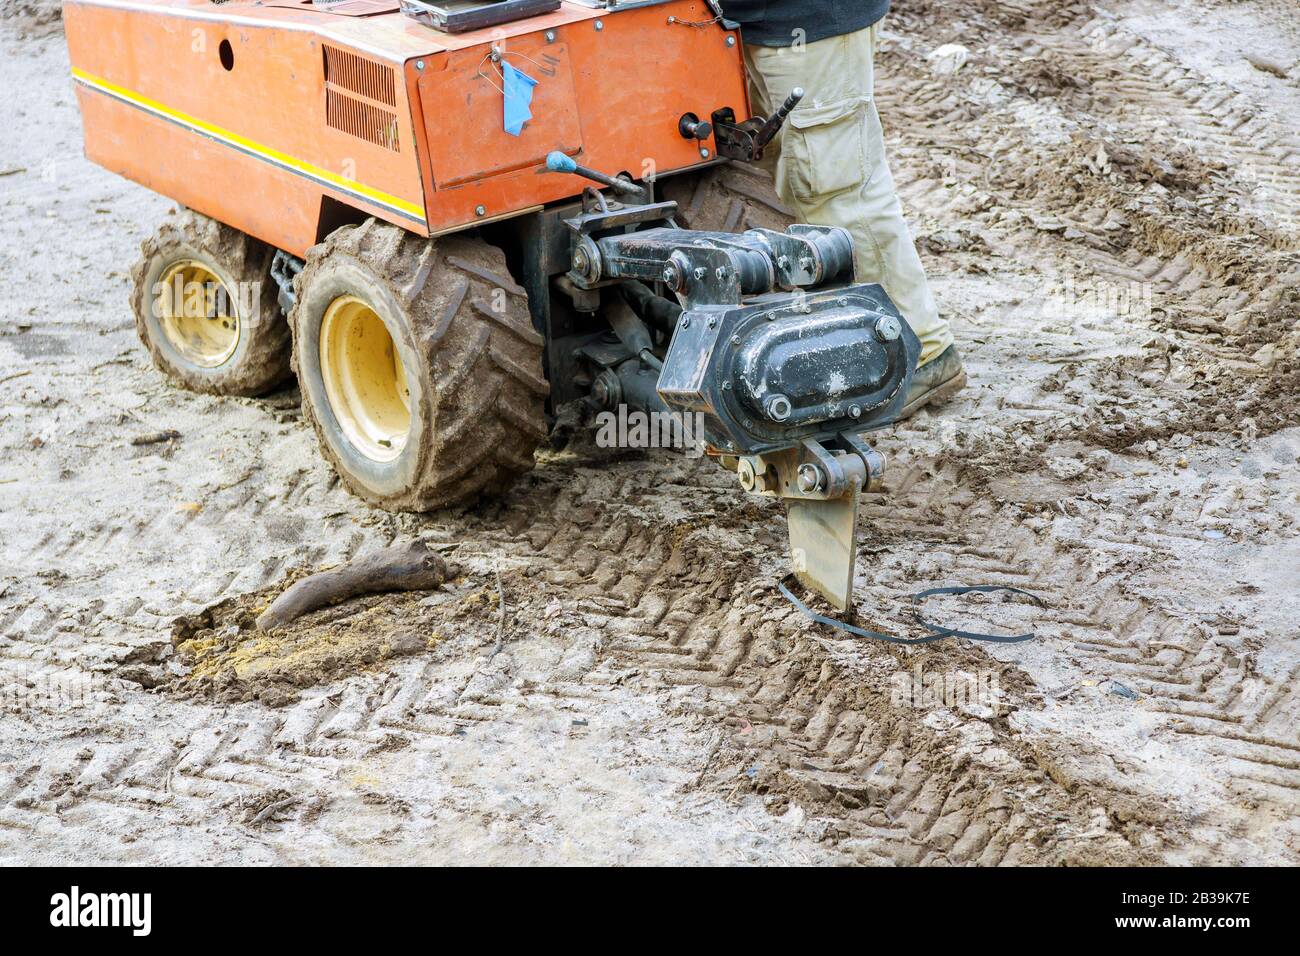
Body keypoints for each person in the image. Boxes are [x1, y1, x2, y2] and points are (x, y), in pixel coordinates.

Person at [718, 0, 966, 418]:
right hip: (752, 24)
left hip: (809, 23)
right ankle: (848, 337)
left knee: (842, 194)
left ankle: (919, 350)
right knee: (792, 184)